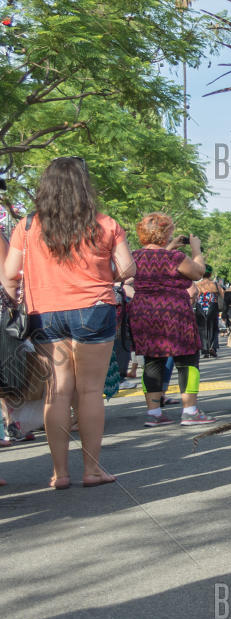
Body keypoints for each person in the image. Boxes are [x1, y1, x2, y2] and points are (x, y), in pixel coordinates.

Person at [1, 157, 133, 487]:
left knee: (56, 391)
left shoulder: (27, 226)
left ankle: (60, 473)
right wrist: (104, 273)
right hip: (93, 309)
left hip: (44, 313)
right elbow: (129, 269)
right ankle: (91, 470)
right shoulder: (105, 223)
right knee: (89, 391)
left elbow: (8, 275)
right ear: (84, 186)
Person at [131, 214, 213, 427]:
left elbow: (153, 261)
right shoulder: (175, 258)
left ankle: (154, 413)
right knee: (187, 359)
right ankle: (190, 411)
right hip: (173, 311)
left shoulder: (135, 257)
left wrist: (169, 246)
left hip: (143, 312)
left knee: (152, 360)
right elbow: (198, 272)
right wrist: (196, 249)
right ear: (166, 232)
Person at [192, 265, 222, 358]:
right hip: (212, 306)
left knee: (201, 328)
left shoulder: (198, 285)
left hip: (200, 307)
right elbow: (223, 294)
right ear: (210, 274)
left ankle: (205, 350)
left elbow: (194, 296)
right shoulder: (215, 284)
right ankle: (212, 347)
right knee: (213, 327)